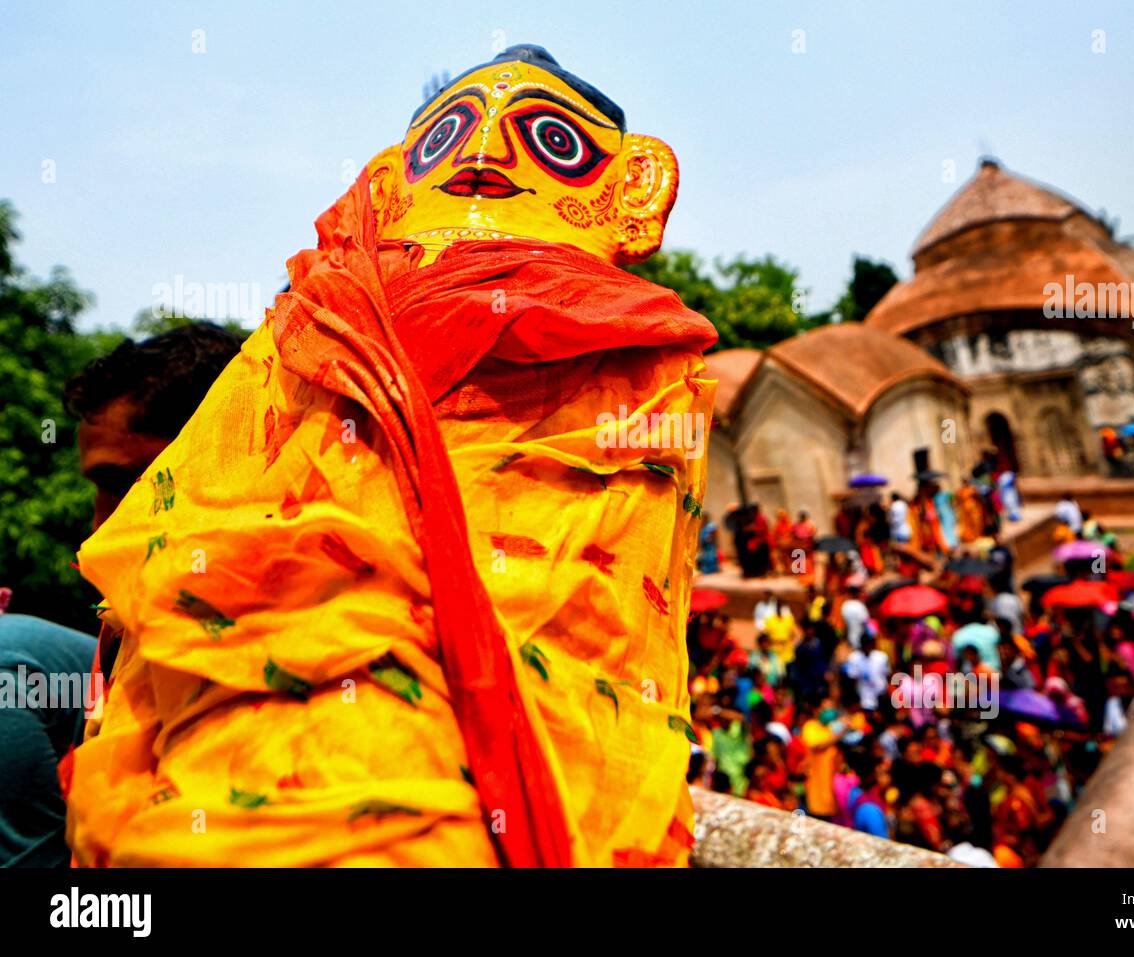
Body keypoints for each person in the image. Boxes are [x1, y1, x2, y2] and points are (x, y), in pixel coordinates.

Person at [65, 45, 714, 868]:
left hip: (257, 792)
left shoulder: (642, 362)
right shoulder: (303, 339)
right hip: (395, 796)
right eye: (452, 137)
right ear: (387, 183)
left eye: (548, 139)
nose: (484, 158)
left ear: (631, 187)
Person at [1, 322, 242, 867]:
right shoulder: (121, 631)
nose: (95, 531)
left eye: (126, 485)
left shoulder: (314, 628)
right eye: (98, 489)